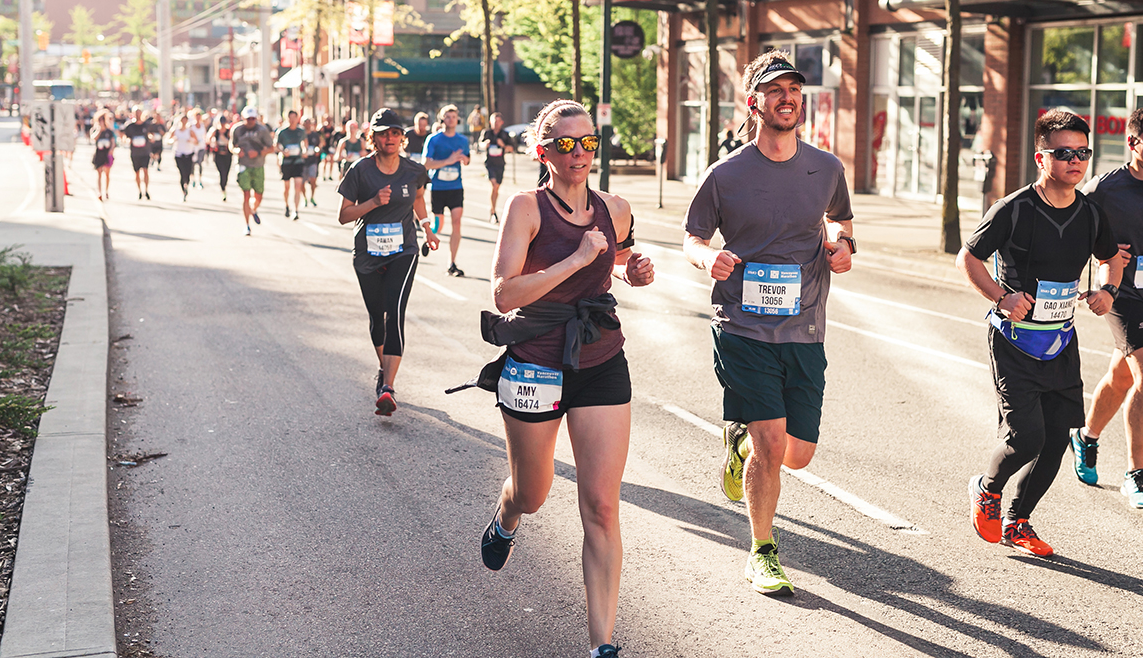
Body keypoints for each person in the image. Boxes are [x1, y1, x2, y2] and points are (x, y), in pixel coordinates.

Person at [478, 99, 653, 658]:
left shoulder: (615, 208)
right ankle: (507, 514)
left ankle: (602, 643)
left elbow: (619, 256)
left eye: (587, 143)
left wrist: (634, 269)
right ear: (542, 151)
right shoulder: (526, 207)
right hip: (534, 361)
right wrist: (576, 260)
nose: (578, 153)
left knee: (602, 506)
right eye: (565, 143)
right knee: (533, 494)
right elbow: (504, 293)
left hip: (600, 359)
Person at [682, 51, 854, 596]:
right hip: (742, 327)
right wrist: (708, 259)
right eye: (776, 90)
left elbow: (840, 220)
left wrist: (842, 244)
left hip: (805, 326)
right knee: (774, 447)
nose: (788, 98)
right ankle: (763, 550)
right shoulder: (726, 174)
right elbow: (692, 238)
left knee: (797, 455)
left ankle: (740, 445)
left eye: (795, 90)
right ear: (753, 102)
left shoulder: (826, 167)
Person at [959, 110, 1124, 557]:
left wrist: (1107, 291)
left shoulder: (1091, 213)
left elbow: (1112, 257)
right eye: (1064, 152)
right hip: (1013, 340)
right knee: (1025, 437)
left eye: (1083, 152)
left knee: (1055, 440)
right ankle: (987, 488)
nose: (1076, 161)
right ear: (1041, 157)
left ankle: (1018, 522)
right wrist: (1001, 298)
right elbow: (968, 259)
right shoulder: (1013, 209)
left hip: (1060, 342)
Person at [1076, 107, 1143, 509]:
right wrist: (1103, 254)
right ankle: (1136, 473)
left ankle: (1086, 436)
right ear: (1133, 141)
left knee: (1121, 376)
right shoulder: (1105, 188)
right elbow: (1071, 222)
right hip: (1122, 291)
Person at [337, 108, 439, 416]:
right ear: (374, 138)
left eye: (395, 133)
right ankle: (384, 368)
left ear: (402, 138)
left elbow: (418, 198)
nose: (390, 138)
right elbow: (344, 215)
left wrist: (426, 226)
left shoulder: (414, 170)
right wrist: (372, 202)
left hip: (403, 251)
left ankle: (388, 386)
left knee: (394, 313)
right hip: (367, 254)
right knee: (377, 318)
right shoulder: (360, 170)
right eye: (383, 133)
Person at [424, 104, 471, 276]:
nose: (451, 119)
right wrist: (448, 160)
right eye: (448, 116)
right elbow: (426, 164)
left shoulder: (463, 140)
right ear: (442, 119)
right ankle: (428, 235)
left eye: (454, 116)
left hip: (456, 187)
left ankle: (452, 262)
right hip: (438, 187)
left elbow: (467, 160)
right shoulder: (434, 139)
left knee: (457, 222)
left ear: (457, 119)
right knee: (438, 225)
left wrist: (464, 159)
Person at [230, 106, 274, 236]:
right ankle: (247, 225)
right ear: (243, 118)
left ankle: (253, 209)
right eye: (248, 119)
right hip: (243, 165)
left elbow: (271, 147)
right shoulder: (237, 129)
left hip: (258, 165)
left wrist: (259, 152)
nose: (251, 121)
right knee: (246, 194)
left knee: (259, 195)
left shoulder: (262, 130)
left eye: (253, 119)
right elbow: (231, 145)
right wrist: (237, 151)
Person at [481, 111, 514, 223]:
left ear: (502, 122)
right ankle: (493, 211)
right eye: (494, 121)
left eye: (498, 121)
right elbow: (479, 144)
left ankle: (493, 209)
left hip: (500, 164)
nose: (496, 123)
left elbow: (511, 148)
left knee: (496, 188)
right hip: (490, 163)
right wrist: (485, 144)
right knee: (494, 185)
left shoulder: (505, 134)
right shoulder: (486, 133)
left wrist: (503, 145)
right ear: (490, 122)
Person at [276, 110, 307, 220]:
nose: (292, 120)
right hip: (286, 161)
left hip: (298, 161)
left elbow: (304, 143)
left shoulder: (301, 131)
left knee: (298, 185)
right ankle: (287, 206)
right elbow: (277, 145)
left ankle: (296, 210)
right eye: (290, 117)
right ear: (287, 118)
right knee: (287, 187)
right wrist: (283, 151)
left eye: (295, 117)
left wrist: (304, 151)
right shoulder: (282, 132)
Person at [122, 107, 154, 200]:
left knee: (145, 170)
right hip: (135, 152)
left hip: (145, 151)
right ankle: (140, 190)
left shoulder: (146, 125)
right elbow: (126, 137)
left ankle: (146, 190)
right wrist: (127, 141)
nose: (138, 115)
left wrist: (151, 137)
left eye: (139, 113)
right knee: (137, 173)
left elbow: (151, 133)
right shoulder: (130, 126)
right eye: (136, 113)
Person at [167, 113, 201, 201]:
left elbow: (197, 142)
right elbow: (168, 141)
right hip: (178, 154)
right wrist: (173, 140)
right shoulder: (175, 130)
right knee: (182, 172)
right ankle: (183, 189)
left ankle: (187, 184)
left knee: (188, 172)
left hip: (188, 154)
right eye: (182, 120)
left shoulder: (190, 131)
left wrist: (191, 140)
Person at [90, 109, 116, 201]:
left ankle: (106, 191)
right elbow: (93, 138)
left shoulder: (109, 131)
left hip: (107, 154)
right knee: (99, 173)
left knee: (107, 174)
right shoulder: (95, 130)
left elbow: (113, 142)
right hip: (99, 153)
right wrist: (99, 130)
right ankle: (100, 192)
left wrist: (111, 150)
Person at [207, 114, 234, 201]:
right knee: (221, 171)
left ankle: (224, 187)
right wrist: (213, 143)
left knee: (226, 173)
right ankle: (223, 188)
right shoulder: (215, 131)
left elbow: (232, 142)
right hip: (218, 155)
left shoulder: (228, 131)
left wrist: (225, 139)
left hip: (227, 155)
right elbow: (208, 140)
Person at [303, 116, 323, 207]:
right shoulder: (301, 134)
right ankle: (304, 198)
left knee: (313, 179)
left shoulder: (315, 135)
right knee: (301, 182)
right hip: (302, 161)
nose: (307, 124)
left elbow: (320, 144)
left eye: (308, 122)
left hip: (313, 160)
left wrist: (318, 149)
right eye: (305, 123)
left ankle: (312, 197)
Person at [191, 108, 208, 189]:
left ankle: (200, 180)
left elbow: (204, 135)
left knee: (200, 163)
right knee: (193, 164)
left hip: (201, 146)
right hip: (193, 147)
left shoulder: (202, 125)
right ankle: (193, 179)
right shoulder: (192, 126)